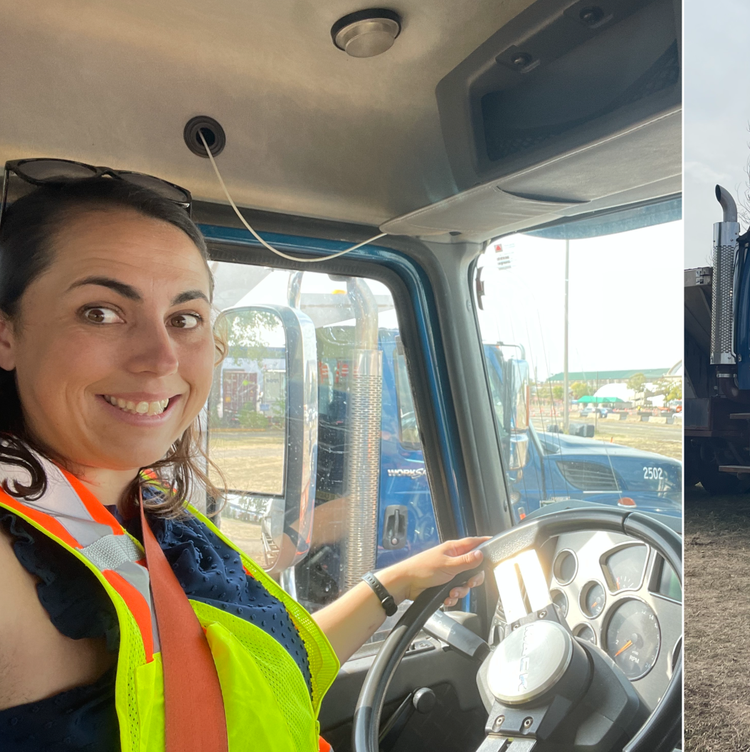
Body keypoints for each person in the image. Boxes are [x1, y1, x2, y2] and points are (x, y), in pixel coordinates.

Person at [0, 164, 487, 751]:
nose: (160, 358)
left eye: (185, 319)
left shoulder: (154, 509)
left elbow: (258, 682)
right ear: (7, 335)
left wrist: (397, 583)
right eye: (101, 312)